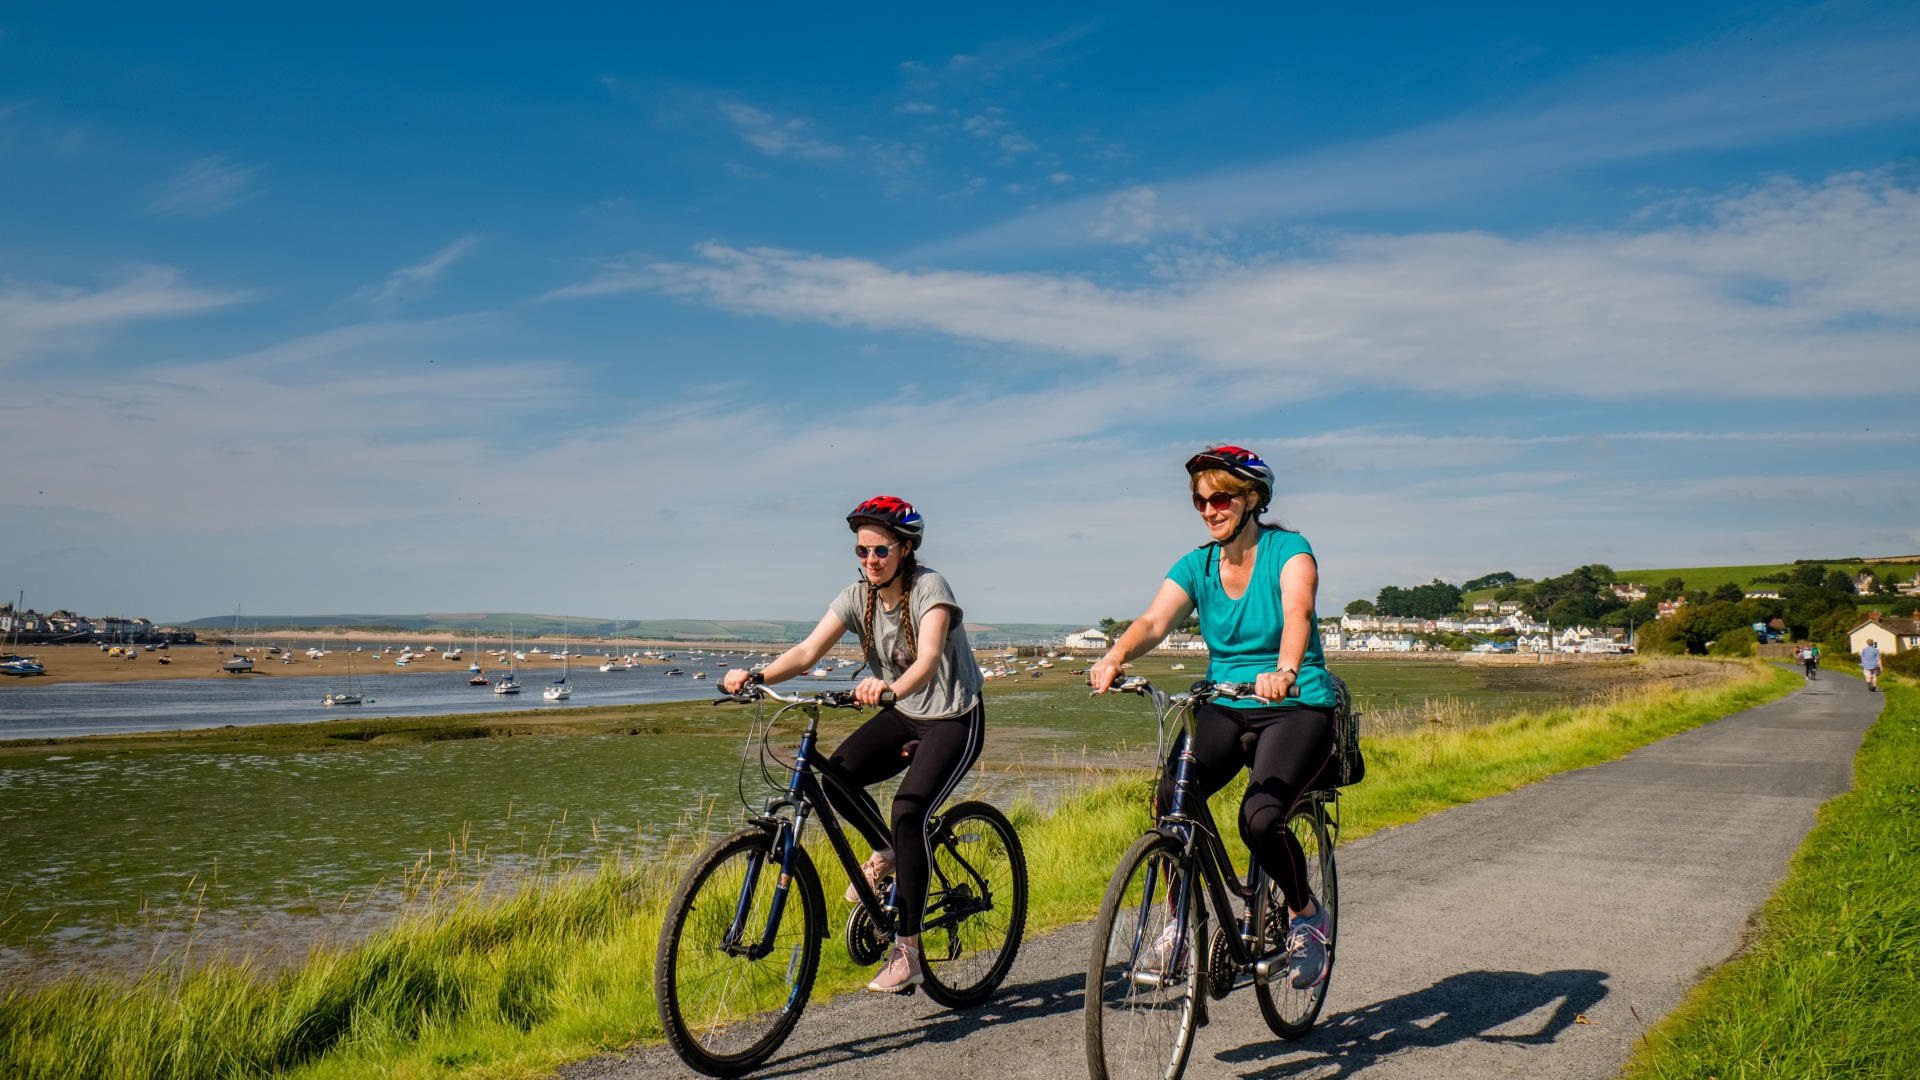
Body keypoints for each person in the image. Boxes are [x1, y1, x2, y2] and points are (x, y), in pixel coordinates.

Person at [1088, 445, 1340, 991]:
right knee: (1172, 797)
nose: (1209, 510)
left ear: (1252, 498)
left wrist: (1285, 669)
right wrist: (1115, 656)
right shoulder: (1196, 565)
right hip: (1225, 702)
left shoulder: (1290, 551)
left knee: (1260, 820)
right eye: (1200, 501)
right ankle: (1179, 926)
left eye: (1220, 498)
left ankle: (1305, 914)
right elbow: (1154, 621)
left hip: (1294, 704)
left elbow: (1297, 611)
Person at [720, 496, 985, 993]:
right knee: (836, 777)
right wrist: (756, 676)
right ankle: (886, 851)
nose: (870, 560)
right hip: (903, 711)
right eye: (862, 551)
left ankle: (908, 951)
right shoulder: (856, 597)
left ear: (905, 549)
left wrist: (890, 689)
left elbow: (928, 658)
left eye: (881, 550)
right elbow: (806, 652)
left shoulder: (931, 588)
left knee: (909, 811)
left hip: (953, 717)